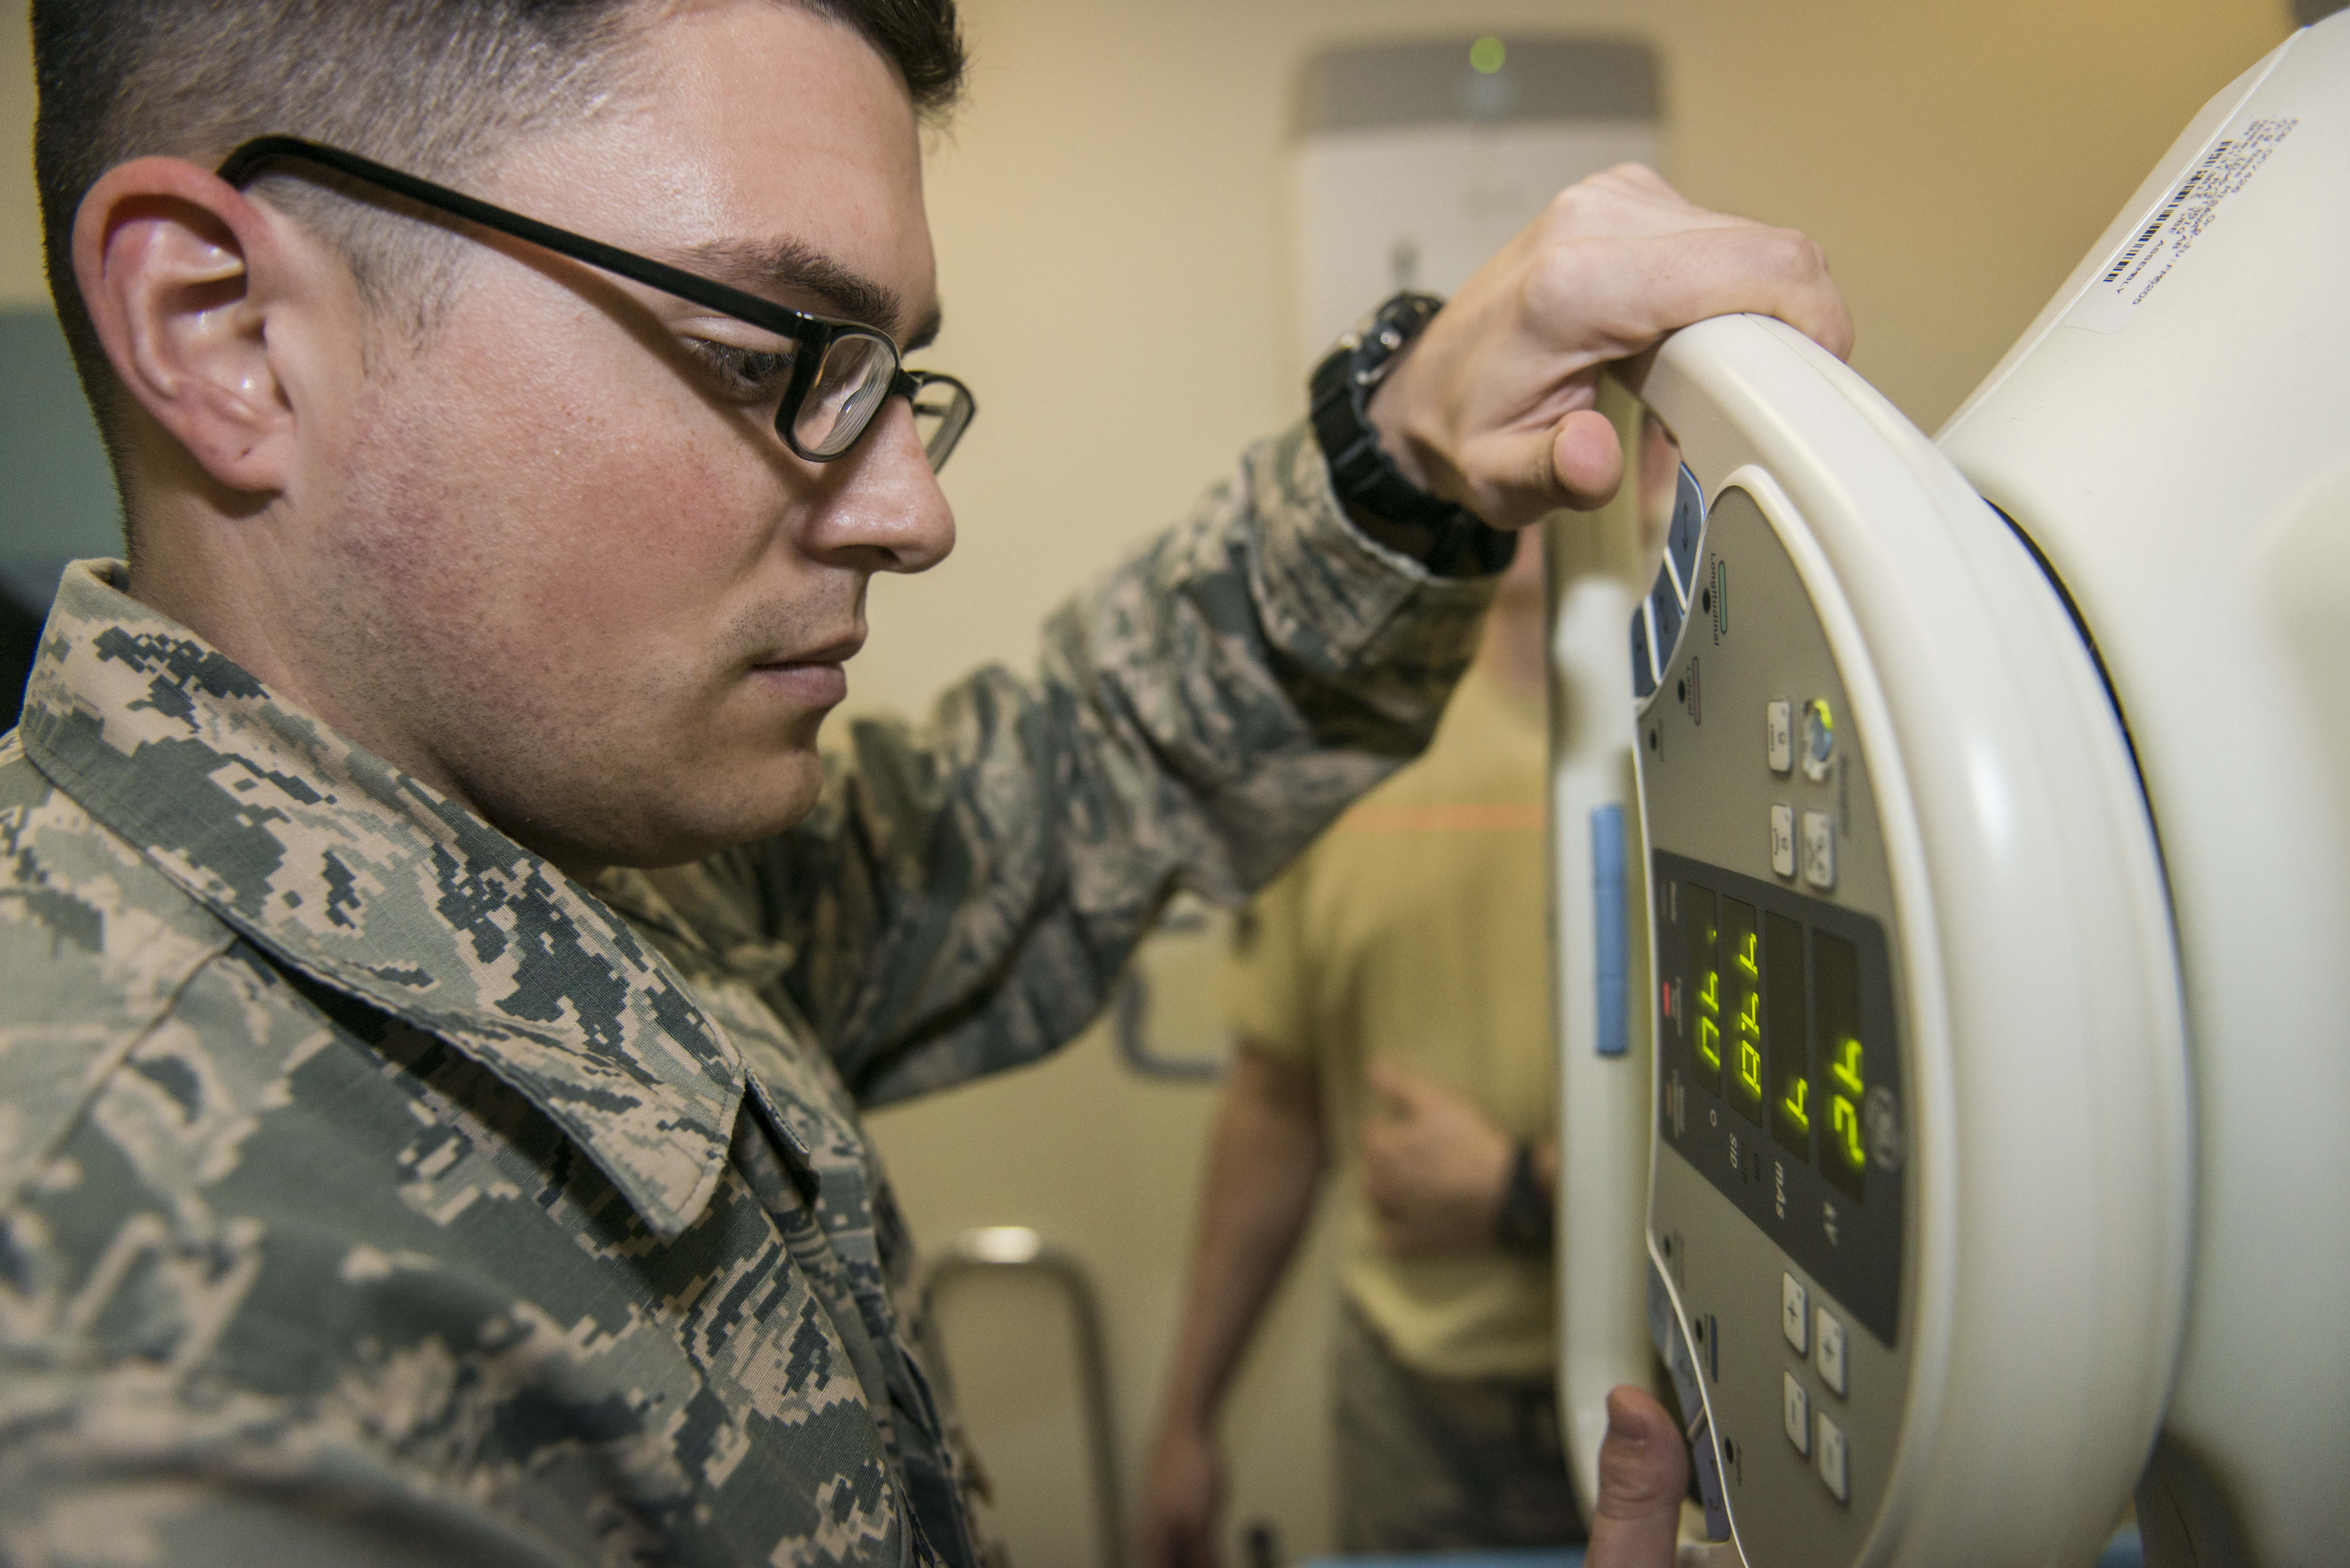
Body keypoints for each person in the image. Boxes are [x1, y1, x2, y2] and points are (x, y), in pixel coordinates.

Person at [0, 0, 1848, 1562]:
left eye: (897, 386)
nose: (914, 509)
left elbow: (1054, 794)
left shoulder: (580, 851)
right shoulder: (136, 1345)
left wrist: (1412, 445)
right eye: (768, 357)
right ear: (224, 333)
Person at [1143, 517, 1576, 1560]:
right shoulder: (1344, 754)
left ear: (1651, 459)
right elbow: (1277, 1103)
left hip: (1683, 1397)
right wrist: (1187, 1419)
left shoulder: (1724, 745)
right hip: (1414, 1413)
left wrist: (1523, 1192)